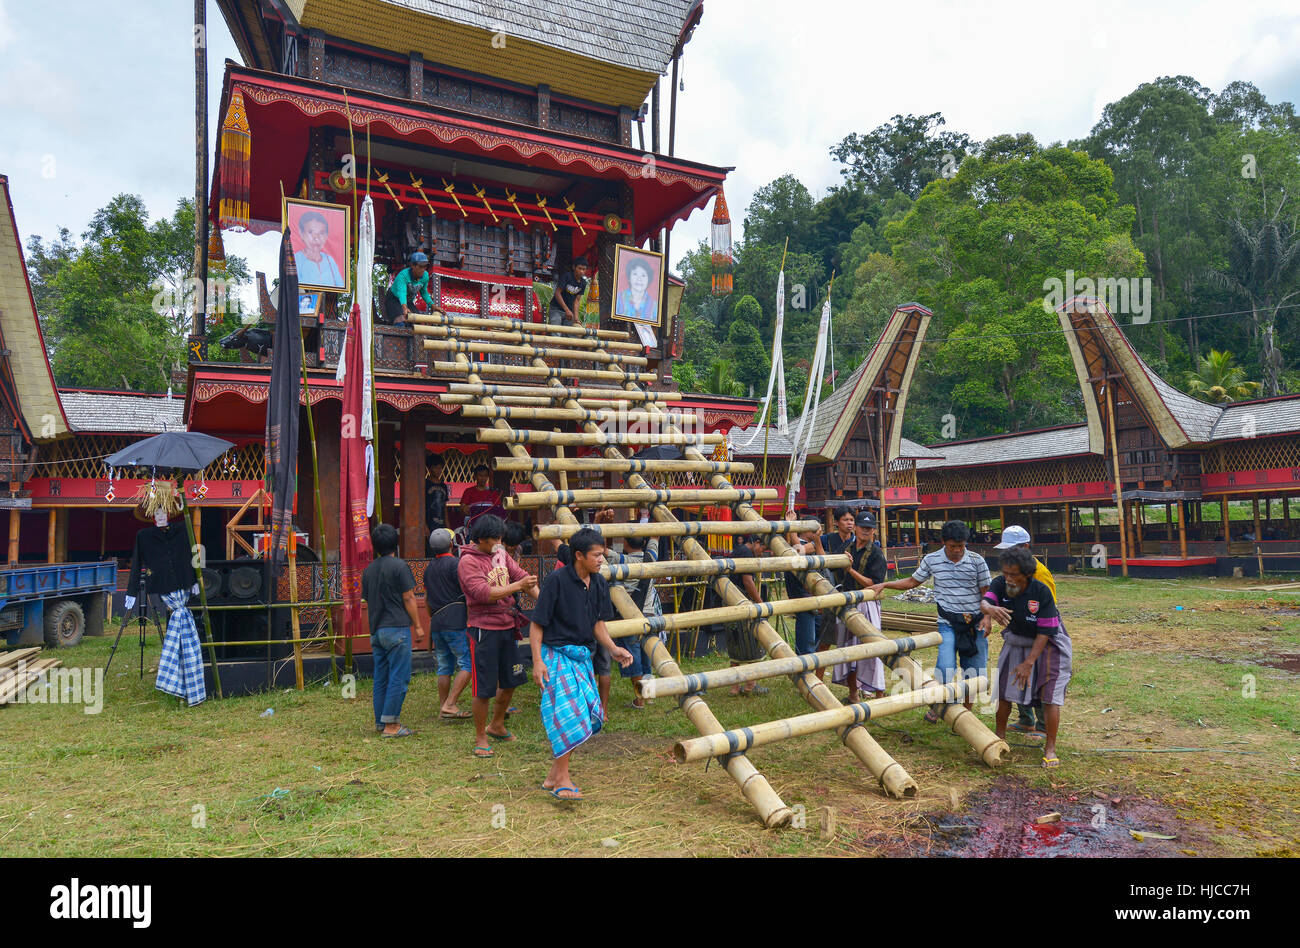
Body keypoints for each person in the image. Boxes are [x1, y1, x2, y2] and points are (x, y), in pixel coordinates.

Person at [529, 527, 633, 801]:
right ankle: (562, 779)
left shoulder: (599, 583)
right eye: (596, 555)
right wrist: (538, 661)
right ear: (578, 555)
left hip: (582, 657)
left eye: (602, 555)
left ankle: (554, 775)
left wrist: (613, 649)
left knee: (584, 715)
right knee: (568, 716)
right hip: (556, 655)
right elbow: (537, 624)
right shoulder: (556, 581)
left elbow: (598, 624)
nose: (601, 560)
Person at [873, 519, 991, 720]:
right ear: (944, 542)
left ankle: (966, 712)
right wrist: (885, 585)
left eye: (961, 546)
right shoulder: (932, 560)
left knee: (975, 671)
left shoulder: (977, 561)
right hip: (947, 623)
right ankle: (941, 704)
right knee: (945, 667)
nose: (957, 550)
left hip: (975, 623)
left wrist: (988, 616)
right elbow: (912, 581)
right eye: (953, 546)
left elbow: (987, 593)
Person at [981, 546, 1073, 769]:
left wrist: (1029, 663)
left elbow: (1045, 632)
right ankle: (998, 739)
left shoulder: (1040, 592)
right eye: (1006, 573)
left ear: (1027, 574)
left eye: (1015, 575)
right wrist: (989, 611)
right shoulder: (1001, 583)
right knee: (1004, 691)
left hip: (1049, 643)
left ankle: (1049, 748)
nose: (1009, 579)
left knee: (1050, 695)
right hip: (1017, 640)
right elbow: (985, 601)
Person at [458, 514, 538, 758]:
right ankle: (480, 736)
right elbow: (483, 593)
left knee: (511, 680)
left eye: (501, 538)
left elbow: (522, 576)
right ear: (481, 539)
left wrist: (544, 604)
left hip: (507, 625)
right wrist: (518, 587)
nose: (499, 542)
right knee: (483, 688)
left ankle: (497, 724)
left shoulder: (500, 554)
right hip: (484, 629)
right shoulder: (467, 562)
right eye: (495, 539)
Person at [361, 523, 425, 738]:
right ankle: (391, 726)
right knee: (399, 675)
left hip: (377, 630)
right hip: (397, 628)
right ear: (396, 543)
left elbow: (367, 599)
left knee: (381, 676)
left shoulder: (369, 570)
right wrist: (418, 625)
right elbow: (408, 597)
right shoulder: (399, 566)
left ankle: (381, 722)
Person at [994, 525, 1057, 738]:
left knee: (1036, 678)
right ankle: (1025, 720)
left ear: (1026, 547)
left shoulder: (1039, 574)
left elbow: (1048, 609)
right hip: (1017, 631)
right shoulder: (1010, 573)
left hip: (1037, 633)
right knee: (1014, 675)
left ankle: (1041, 725)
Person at [833, 511, 888, 703]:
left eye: (869, 528)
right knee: (848, 649)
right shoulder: (845, 547)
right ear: (855, 527)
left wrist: (850, 570)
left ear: (873, 530)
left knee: (872, 649)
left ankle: (879, 693)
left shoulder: (876, 553)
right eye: (862, 527)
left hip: (867, 604)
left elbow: (874, 584)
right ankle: (853, 694)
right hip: (847, 603)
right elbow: (831, 565)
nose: (866, 531)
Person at [607, 530, 662, 709]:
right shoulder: (651, 557)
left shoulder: (620, 560)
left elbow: (601, 550)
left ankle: (640, 700)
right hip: (649, 614)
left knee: (633, 657)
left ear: (625, 542)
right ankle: (649, 695)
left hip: (630, 616)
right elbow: (655, 537)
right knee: (647, 657)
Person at [423, 528, 472, 721]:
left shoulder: (428, 569)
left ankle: (444, 707)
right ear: (452, 545)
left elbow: (427, 599)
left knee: (444, 667)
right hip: (455, 621)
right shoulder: (456, 564)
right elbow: (467, 593)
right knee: (466, 664)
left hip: (437, 622)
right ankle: (450, 704)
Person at [812, 506, 857, 678]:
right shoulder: (827, 539)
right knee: (825, 640)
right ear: (837, 522)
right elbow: (823, 561)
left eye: (852, 520)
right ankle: (818, 679)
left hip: (852, 593)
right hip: (832, 592)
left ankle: (857, 684)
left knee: (854, 643)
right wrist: (816, 540)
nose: (850, 523)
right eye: (846, 520)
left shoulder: (857, 541)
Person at [726, 534, 770, 696]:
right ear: (756, 542)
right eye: (763, 549)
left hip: (731, 600)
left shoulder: (740, 550)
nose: (761, 553)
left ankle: (735, 686)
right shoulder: (746, 553)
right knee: (749, 643)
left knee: (735, 643)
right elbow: (748, 581)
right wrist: (760, 603)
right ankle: (750, 684)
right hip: (740, 600)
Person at [783, 519, 820, 656]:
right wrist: (792, 528)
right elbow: (799, 551)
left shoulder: (815, 544)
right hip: (804, 596)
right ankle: (804, 671)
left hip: (813, 596)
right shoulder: (796, 547)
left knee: (814, 638)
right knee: (807, 642)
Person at [382, 251, 436, 326]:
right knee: (401, 321)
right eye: (420, 266)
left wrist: (433, 306)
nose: (423, 269)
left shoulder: (425, 276)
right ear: (413, 266)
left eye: (425, 266)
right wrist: (404, 307)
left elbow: (424, 292)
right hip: (393, 299)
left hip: (408, 301)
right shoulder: (403, 276)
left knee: (418, 321)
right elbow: (402, 292)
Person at [293, 211, 344, 289]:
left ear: (327, 235)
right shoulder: (296, 259)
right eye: (311, 232)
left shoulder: (329, 260)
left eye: (321, 233)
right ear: (301, 233)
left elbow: (340, 286)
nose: (316, 237)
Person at [549, 258, 590, 326]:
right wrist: (566, 310)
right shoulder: (567, 276)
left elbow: (577, 300)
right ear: (574, 267)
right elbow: (557, 293)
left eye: (584, 269)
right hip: (556, 309)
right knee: (556, 332)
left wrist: (576, 318)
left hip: (569, 312)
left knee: (569, 334)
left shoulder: (583, 283)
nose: (581, 271)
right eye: (579, 268)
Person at [615, 257, 657, 321]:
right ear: (629, 277)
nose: (639, 279)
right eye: (635, 274)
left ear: (648, 279)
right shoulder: (618, 298)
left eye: (643, 275)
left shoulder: (654, 305)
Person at [425, 454, 450, 535]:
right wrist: (423, 525)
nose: (438, 470)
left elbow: (444, 506)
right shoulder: (425, 484)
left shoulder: (443, 486)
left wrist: (447, 525)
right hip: (428, 523)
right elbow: (420, 505)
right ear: (429, 468)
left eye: (440, 468)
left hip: (441, 524)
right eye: (436, 468)